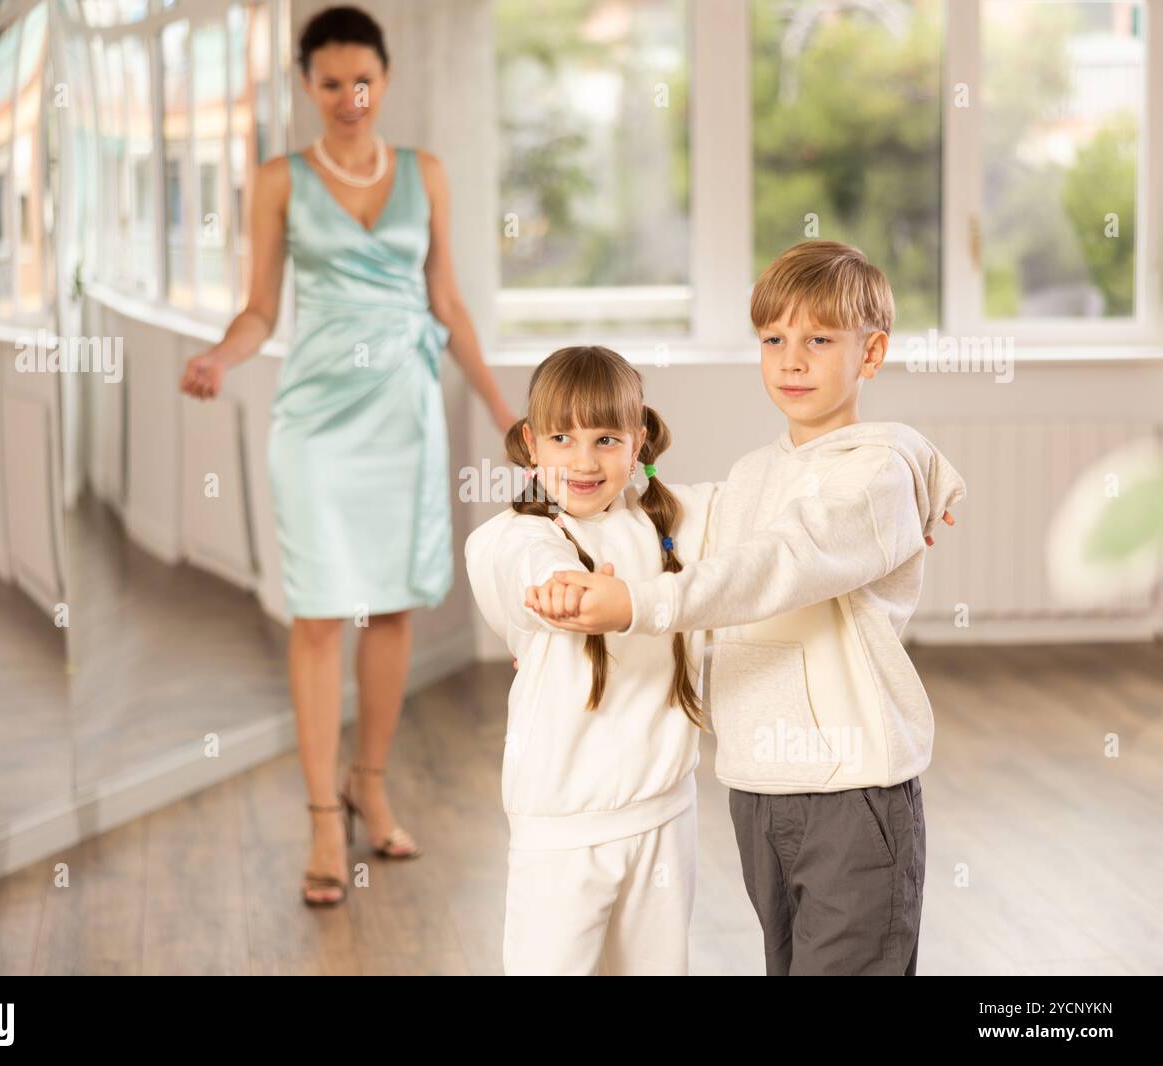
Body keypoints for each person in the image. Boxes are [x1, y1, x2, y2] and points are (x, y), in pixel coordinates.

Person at [529, 241, 966, 975]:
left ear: (872, 352)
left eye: (819, 340)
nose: (792, 361)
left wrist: (636, 603)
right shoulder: (755, 473)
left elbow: (778, 565)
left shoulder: (878, 474)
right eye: (774, 340)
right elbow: (670, 523)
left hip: (852, 792)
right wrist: (559, 554)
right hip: (759, 787)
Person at [180, 6, 514, 906]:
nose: (347, 97)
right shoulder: (277, 180)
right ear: (307, 86)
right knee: (322, 612)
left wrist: (500, 406)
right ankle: (325, 817)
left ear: (386, 79)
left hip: (403, 411)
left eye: (361, 80)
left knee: (393, 607)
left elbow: (447, 302)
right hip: (319, 421)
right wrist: (221, 353)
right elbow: (259, 310)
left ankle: (371, 779)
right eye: (329, 82)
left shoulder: (426, 175)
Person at [466, 345, 718, 975]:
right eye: (562, 437)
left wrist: (910, 492)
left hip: (664, 813)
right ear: (530, 444)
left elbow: (775, 510)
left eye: (607, 438)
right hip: (563, 831)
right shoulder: (520, 536)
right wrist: (558, 589)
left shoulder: (672, 521)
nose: (584, 460)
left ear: (638, 445)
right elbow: (526, 567)